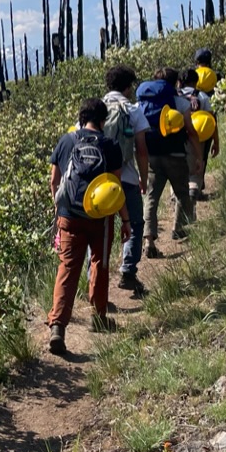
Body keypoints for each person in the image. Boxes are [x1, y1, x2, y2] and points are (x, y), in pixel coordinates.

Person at [47, 98, 125, 351]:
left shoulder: (66, 140)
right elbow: (115, 188)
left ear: (81, 117)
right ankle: (99, 318)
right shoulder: (110, 145)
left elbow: (54, 180)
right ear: (103, 121)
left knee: (67, 268)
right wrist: (126, 219)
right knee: (99, 264)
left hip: (69, 215)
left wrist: (60, 209)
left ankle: (57, 325)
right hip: (100, 217)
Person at [137, 68, 201, 258]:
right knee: (182, 193)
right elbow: (190, 131)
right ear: (175, 83)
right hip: (175, 155)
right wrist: (198, 156)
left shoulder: (142, 104)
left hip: (152, 155)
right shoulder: (180, 103)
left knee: (151, 197)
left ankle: (148, 240)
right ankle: (178, 228)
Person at [103, 65, 150, 295]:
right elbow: (141, 150)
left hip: (100, 183)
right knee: (134, 223)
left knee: (101, 232)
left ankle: (96, 282)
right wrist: (143, 178)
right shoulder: (133, 110)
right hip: (128, 177)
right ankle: (128, 271)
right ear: (127, 86)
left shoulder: (95, 109)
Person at [180, 68, 220, 200]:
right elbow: (211, 120)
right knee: (195, 169)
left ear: (179, 82)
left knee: (179, 169)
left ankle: (177, 194)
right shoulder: (202, 96)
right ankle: (194, 191)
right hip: (198, 136)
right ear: (196, 82)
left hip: (176, 138)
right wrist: (216, 141)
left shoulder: (175, 95)